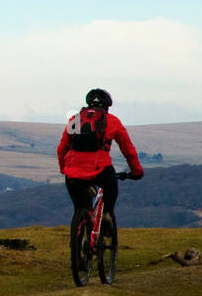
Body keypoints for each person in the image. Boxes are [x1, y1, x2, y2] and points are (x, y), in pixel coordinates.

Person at [58, 88, 144, 233]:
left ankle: (78, 238)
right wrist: (136, 171)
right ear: (107, 107)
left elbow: (62, 148)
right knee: (111, 187)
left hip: (72, 172)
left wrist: (64, 169)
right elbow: (128, 150)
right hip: (100, 169)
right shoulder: (112, 121)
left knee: (80, 207)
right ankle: (107, 214)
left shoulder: (75, 119)